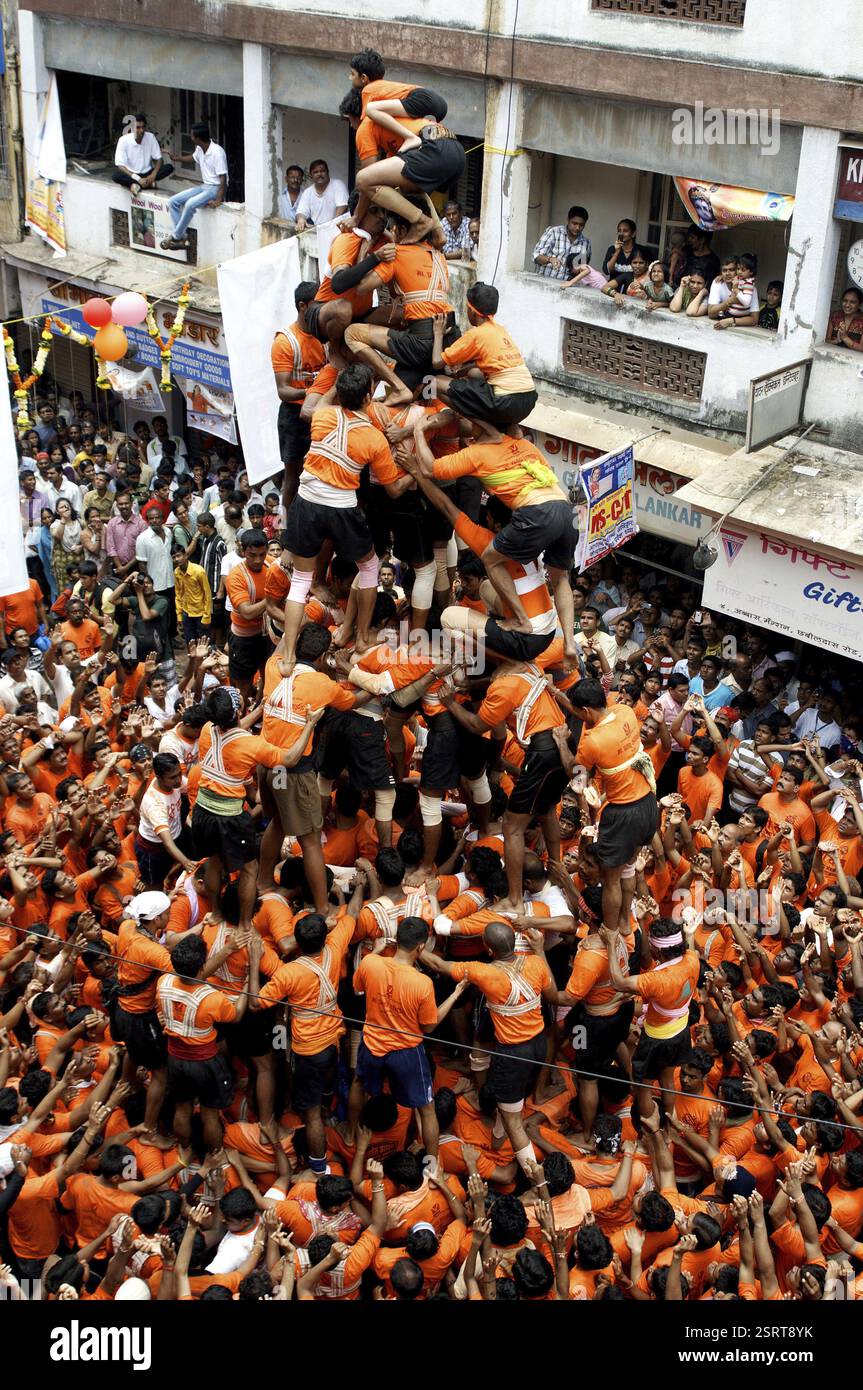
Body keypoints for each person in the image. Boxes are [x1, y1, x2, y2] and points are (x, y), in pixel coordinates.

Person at [428, 281, 538, 427]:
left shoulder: (476, 335)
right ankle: (512, 428)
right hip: (528, 400)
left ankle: (489, 431)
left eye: (467, 308)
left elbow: (436, 362)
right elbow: (482, 367)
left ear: (473, 312)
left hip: (505, 401)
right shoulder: (500, 330)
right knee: (474, 373)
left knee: (433, 382)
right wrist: (460, 373)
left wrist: (438, 333)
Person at [163, 123, 228, 251]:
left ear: (198, 138)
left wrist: (218, 200)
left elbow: (223, 179)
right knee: (173, 201)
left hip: (214, 188)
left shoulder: (217, 152)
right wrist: (177, 159)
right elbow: (193, 158)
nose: (191, 138)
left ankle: (176, 236)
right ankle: (182, 237)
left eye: (192, 136)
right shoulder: (200, 149)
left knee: (189, 204)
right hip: (204, 186)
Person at [112, 114, 173, 194]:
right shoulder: (123, 140)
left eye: (143, 127)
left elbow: (159, 159)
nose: (141, 130)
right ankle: (146, 184)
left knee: (169, 167)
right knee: (116, 176)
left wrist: (153, 175)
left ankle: (136, 185)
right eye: (138, 127)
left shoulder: (150, 137)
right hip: (132, 175)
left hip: (147, 174)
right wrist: (138, 179)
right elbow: (120, 166)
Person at [533, 206, 591, 280]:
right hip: (544, 283)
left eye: (581, 225)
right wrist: (550, 259)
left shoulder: (586, 243)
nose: (577, 228)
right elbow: (536, 257)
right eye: (574, 223)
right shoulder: (553, 232)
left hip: (567, 287)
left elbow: (583, 271)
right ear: (568, 220)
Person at [294, 159, 349, 231]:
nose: (319, 174)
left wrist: (332, 227)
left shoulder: (338, 185)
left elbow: (342, 207)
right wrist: (301, 219)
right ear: (311, 175)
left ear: (328, 172)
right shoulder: (308, 192)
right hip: (317, 231)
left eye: (322, 171)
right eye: (315, 172)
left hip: (338, 229)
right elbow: (301, 211)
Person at [826, 286, 863, 350]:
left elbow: (862, 348)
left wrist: (845, 338)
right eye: (845, 301)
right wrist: (836, 341)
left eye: (852, 302)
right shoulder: (835, 316)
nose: (847, 305)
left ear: (859, 304)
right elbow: (826, 340)